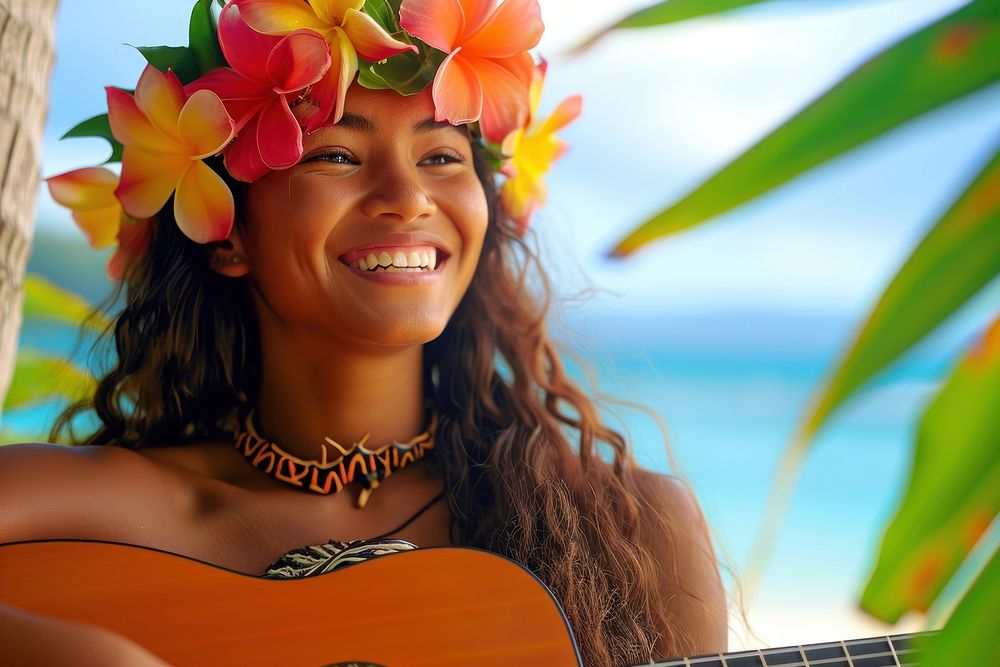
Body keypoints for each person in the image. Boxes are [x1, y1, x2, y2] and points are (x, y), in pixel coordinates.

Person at [0, 1, 728, 665]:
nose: (407, 197)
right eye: (336, 155)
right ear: (226, 235)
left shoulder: (625, 529)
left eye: (441, 156)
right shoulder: (104, 504)